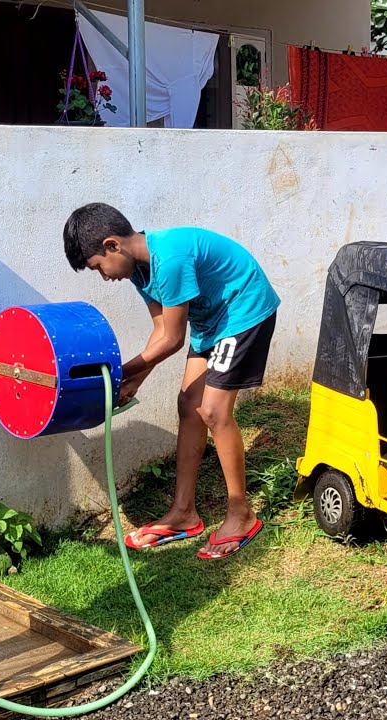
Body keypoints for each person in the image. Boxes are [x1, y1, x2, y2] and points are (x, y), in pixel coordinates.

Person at [62, 203, 280, 559]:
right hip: (212, 322)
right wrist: (136, 381)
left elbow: (174, 340)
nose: (105, 277)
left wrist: (119, 373)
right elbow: (161, 331)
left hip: (243, 310)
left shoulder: (171, 260)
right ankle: (183, 513)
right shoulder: (140, 272)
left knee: (213, 411)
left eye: (99, 267)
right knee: (188, 406)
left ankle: (241, 514)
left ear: (113, 245)